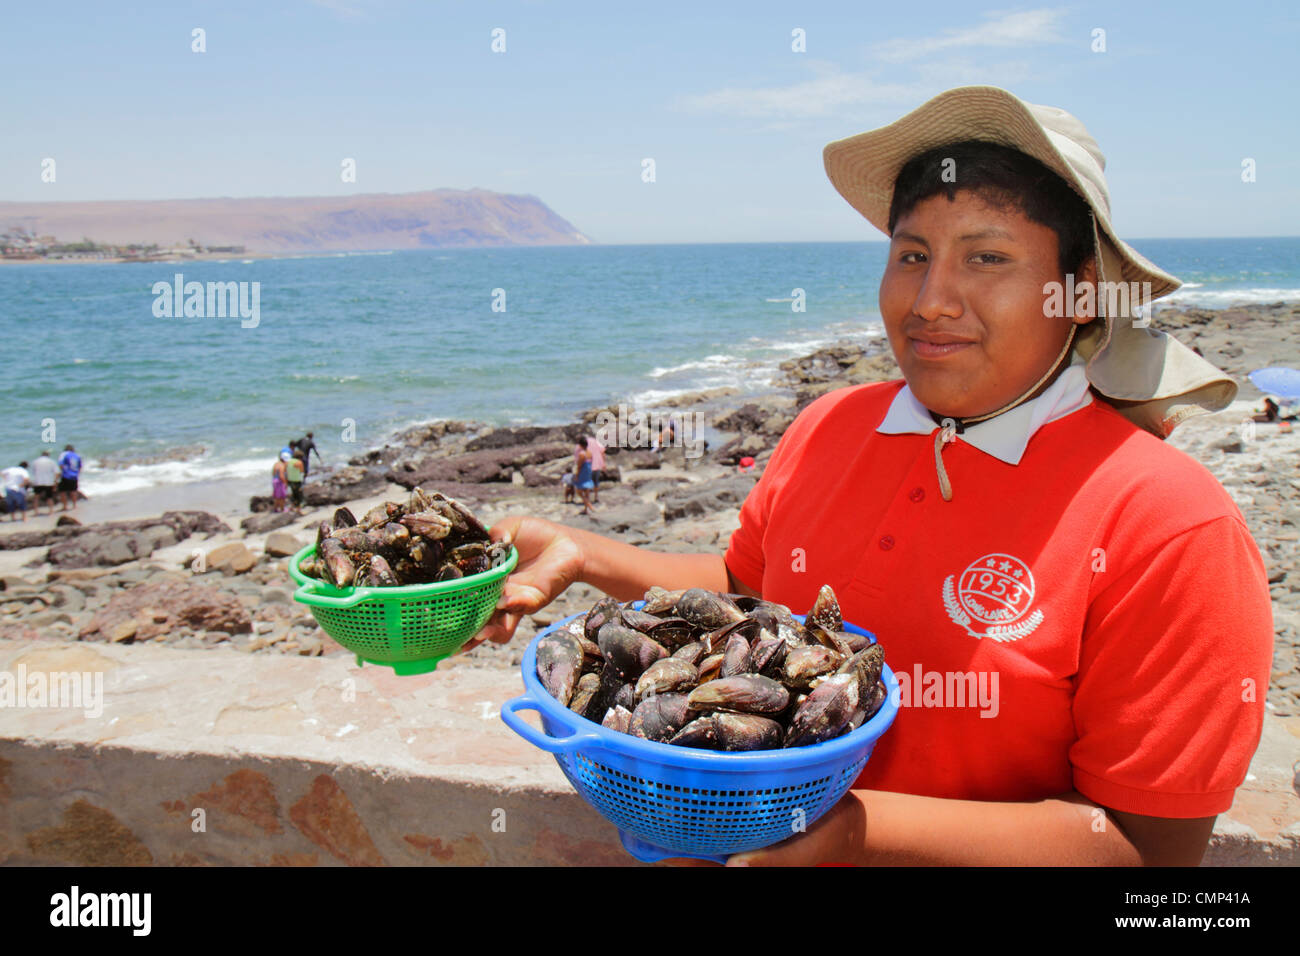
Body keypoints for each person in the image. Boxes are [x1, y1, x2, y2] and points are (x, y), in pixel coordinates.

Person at [464, 86, 1273, 867]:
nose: (931, 300)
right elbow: (748, 587)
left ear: (1080, 290)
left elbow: (1147, 850)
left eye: (987, 257)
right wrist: (577, 552)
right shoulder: (833, 425)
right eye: (911, 255)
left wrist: (855, 833)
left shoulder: (1170, 525)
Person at [29, 449, 58, 517]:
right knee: (49, 497)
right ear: (48, 455)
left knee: (36, 497)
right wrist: (55, 481)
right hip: (48, 482)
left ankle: (36, 512)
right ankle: (51, 511)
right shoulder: (51, 461)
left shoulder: (35, 461)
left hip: (38, 481)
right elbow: (57, 472)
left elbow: (32, 472)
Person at [573, 437, 596, 516]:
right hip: (588, 471)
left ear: (580, 445)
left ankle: (588, 504)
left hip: (583, 471)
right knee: (587, 490)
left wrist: (576, 475)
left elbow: (579, 466)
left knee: (579, 491)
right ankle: (586, 509)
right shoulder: (590, 452)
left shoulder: (582, 454)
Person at [56, 444, 81, 512]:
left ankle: (65, 506)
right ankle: (74, 505)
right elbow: (80, 466)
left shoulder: (64, 454)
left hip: (66, 475)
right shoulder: (77, 456)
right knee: (74, 491)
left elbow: (61, 464)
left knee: (62, 491)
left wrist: (62, 472)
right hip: (74, 475)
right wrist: (77, 474)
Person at [587, 433, 606, 503]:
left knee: (588, 482)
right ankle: (596, 497)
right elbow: (603, 453)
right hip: (597, 465)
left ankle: (587, 497)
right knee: (596, 482)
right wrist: (603, 464)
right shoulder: (598, 443)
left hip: (588, 465)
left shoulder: (586, 442)